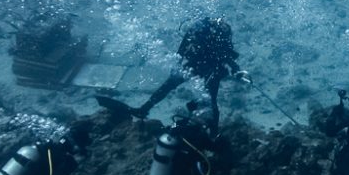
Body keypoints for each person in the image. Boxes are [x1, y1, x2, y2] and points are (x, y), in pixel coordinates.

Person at [98, 16, 245, 134]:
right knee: (210, 100)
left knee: (169, 86)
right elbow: (228, 57)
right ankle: (214, 131)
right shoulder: (219, 33)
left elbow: (182, 50)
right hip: (209, 69)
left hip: (195, 66)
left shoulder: (198, 29)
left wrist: (177, 65)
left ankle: (144, 108)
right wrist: (236, 70)